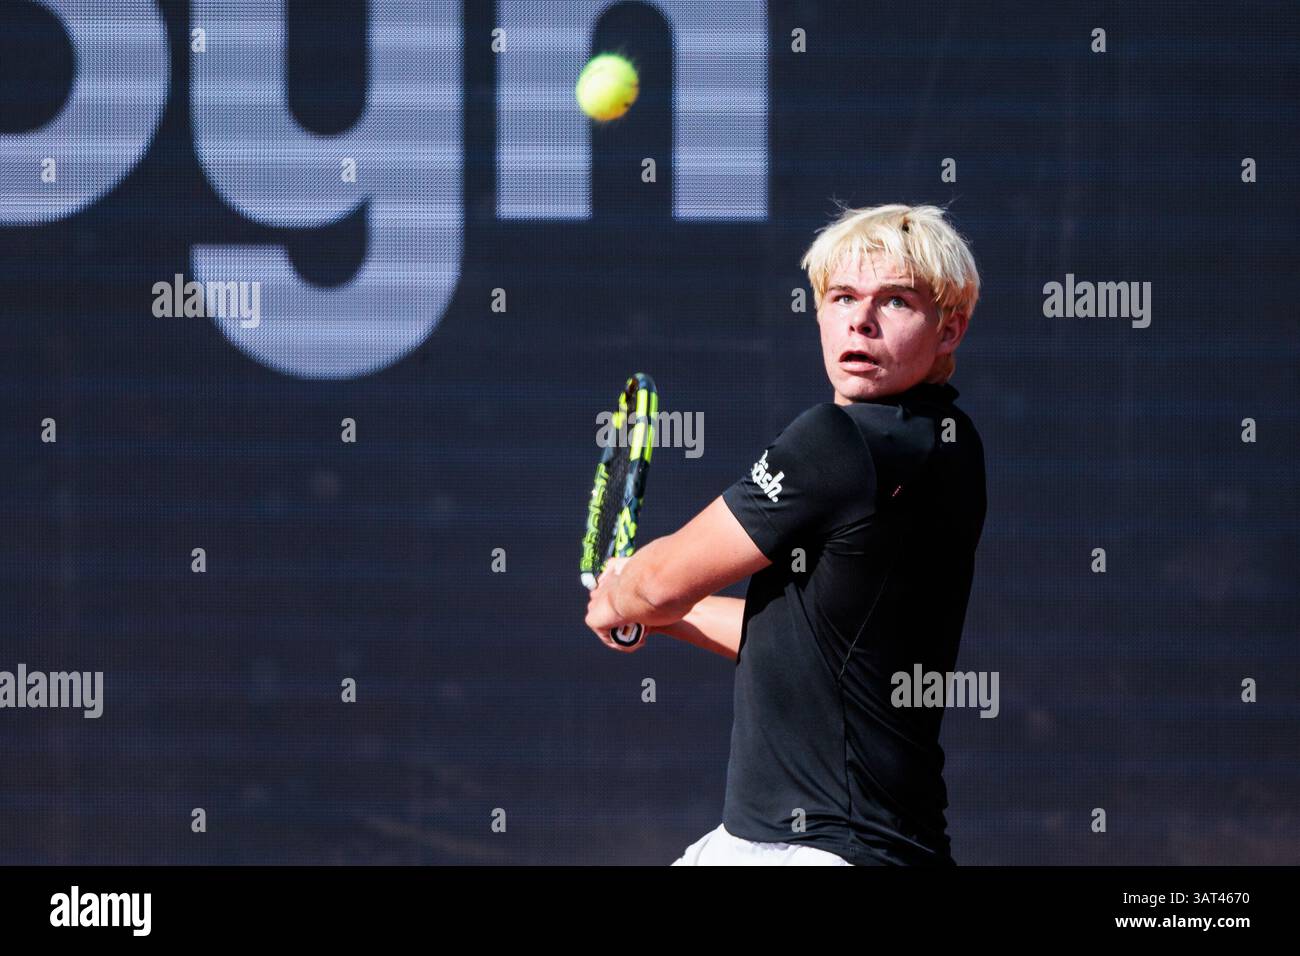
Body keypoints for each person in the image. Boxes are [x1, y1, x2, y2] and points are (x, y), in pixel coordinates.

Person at [585, 203, 986, 866]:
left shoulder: (836, 441)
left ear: (950, 329)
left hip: (812, 852)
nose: (861, 319)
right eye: (843, 296)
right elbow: (809, 638)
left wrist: (628, 595)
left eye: (895, 302)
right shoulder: (950, 444)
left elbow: (657, 583)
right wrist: (665, 618)